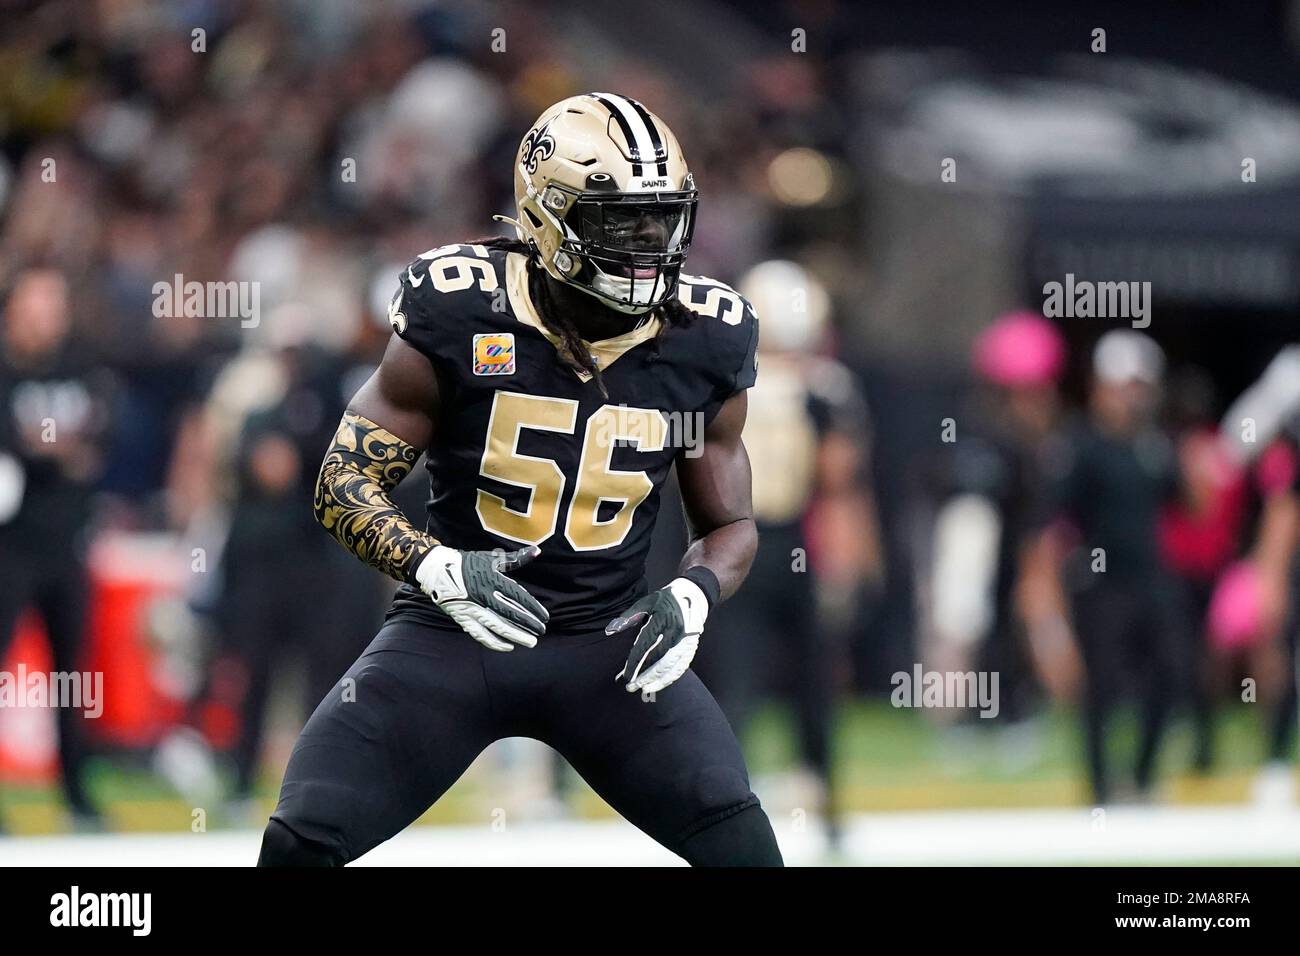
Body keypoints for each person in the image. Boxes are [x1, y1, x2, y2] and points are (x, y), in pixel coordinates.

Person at [257, 93, 782, 866]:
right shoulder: (460, 308)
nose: (649, 243)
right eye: (621, 220)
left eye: (661, 217)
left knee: (745, 851)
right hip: (453, 632)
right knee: (299, 842)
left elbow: (729, 525)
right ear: (548, 218)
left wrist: (693, 594)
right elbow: (343, 484)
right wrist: (434, 566)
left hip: (611, 648)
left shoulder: (705, 337)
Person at [695, 259, 878, 844]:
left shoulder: (725, 377)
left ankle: (729, 813)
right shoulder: (820, 386)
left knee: (742, 688)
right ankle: (819, 807)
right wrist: (847, 564)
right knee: (799, 686)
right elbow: (840, 479)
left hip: (736, 540)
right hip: (783, 542)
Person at [1037, 330, 1186, 804]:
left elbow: (1181, 505)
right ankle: (1100, 789)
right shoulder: (1080, 445)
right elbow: (1053, 525)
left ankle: (1142, 778)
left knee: (1171, 671)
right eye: (1125, 386)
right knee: (1102, 685)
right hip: (1099, 582)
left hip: (1150, 578)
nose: (1133, 397)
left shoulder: (1154, 446)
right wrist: (1046, 597)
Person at [0, 268, 107, 829]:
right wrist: (55, 452)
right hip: (9, 546)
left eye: (55, 303)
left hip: (66, 543)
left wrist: (48, 450)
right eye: (37, 303)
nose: (48, 316)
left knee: (73, 674)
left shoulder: (79, 367)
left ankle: (77, 795)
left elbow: (100, 438)